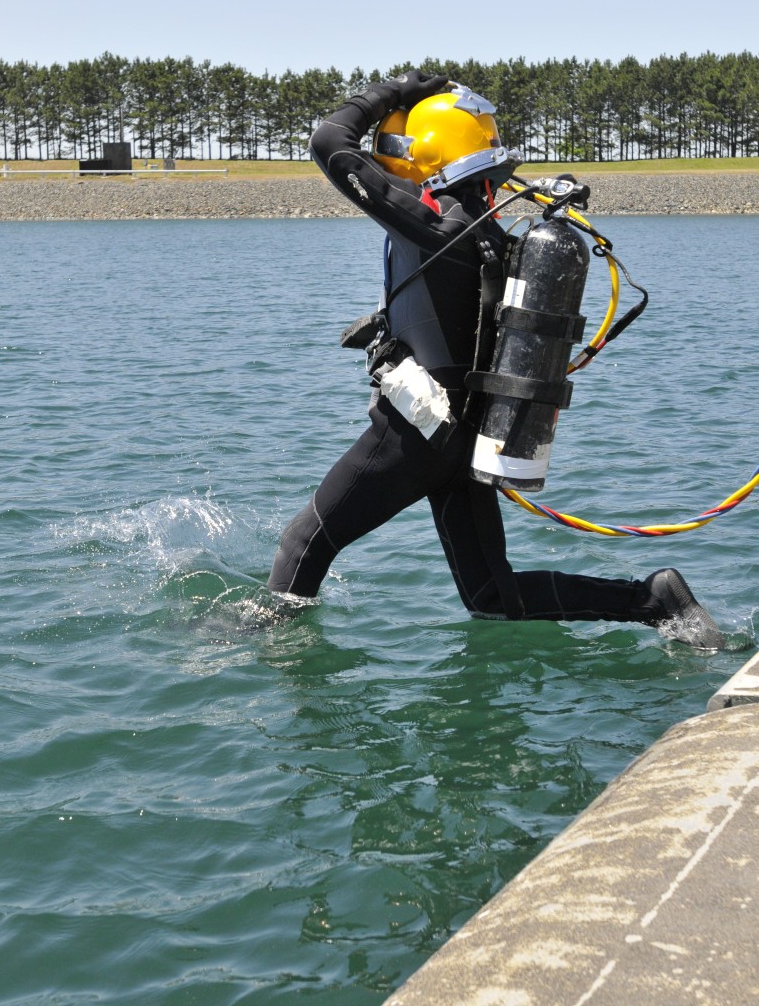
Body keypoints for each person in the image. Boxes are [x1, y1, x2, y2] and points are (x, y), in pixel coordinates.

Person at [267, 70, 724, 650]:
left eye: (396, 145)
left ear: (426, 153)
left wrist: (395, 88)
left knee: (305, 540)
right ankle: (652, 600)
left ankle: (261, 651)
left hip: (415, 431)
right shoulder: (490, 231)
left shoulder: (431, 221)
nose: (385, 159)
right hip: (468, 438)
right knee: (491, 596)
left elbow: (329, 142)